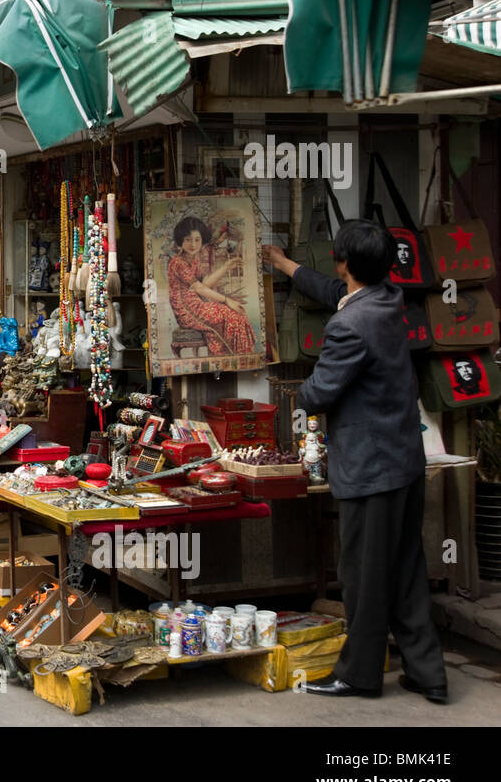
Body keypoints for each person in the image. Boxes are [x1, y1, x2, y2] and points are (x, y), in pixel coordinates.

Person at [264, 220, 447, 703]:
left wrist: (295, 397)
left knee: (363, 578)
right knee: (406, 569)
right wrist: (285, 266)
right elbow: (335, 292)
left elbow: (320, 391)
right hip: (404, 463)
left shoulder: (349, 325)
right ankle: (429, 673)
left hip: (371, 470)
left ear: (345, 263)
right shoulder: (387, 299)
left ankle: (360, 675)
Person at [167, 216, 256, 355]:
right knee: (230, 315)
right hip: (185, 309)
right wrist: (227, 300)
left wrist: (226, 267)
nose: (193, 244)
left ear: (202, 240)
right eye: (188, 240)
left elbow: (205, 284)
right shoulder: (177, 262)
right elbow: (199, 288)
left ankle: (239, 356)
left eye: (197, 240)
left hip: (195, 304)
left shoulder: (194, 260)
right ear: (181, 241)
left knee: (238, 313)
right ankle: (232, 356)